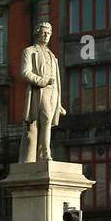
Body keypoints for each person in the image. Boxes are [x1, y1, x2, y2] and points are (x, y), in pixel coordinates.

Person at [18, 22, 66, 163]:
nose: (46, 36)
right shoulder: (30, 51)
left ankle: (43, 153)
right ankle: (46, 153)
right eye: (44, 32)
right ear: (37, 33)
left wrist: (59, 103)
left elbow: (57, 80)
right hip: (40, 91)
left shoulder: (52, 56)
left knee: (48, 123)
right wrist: (42, 81)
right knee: (45, 122)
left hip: (53, 93)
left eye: (49, 33)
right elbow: (25, 73)